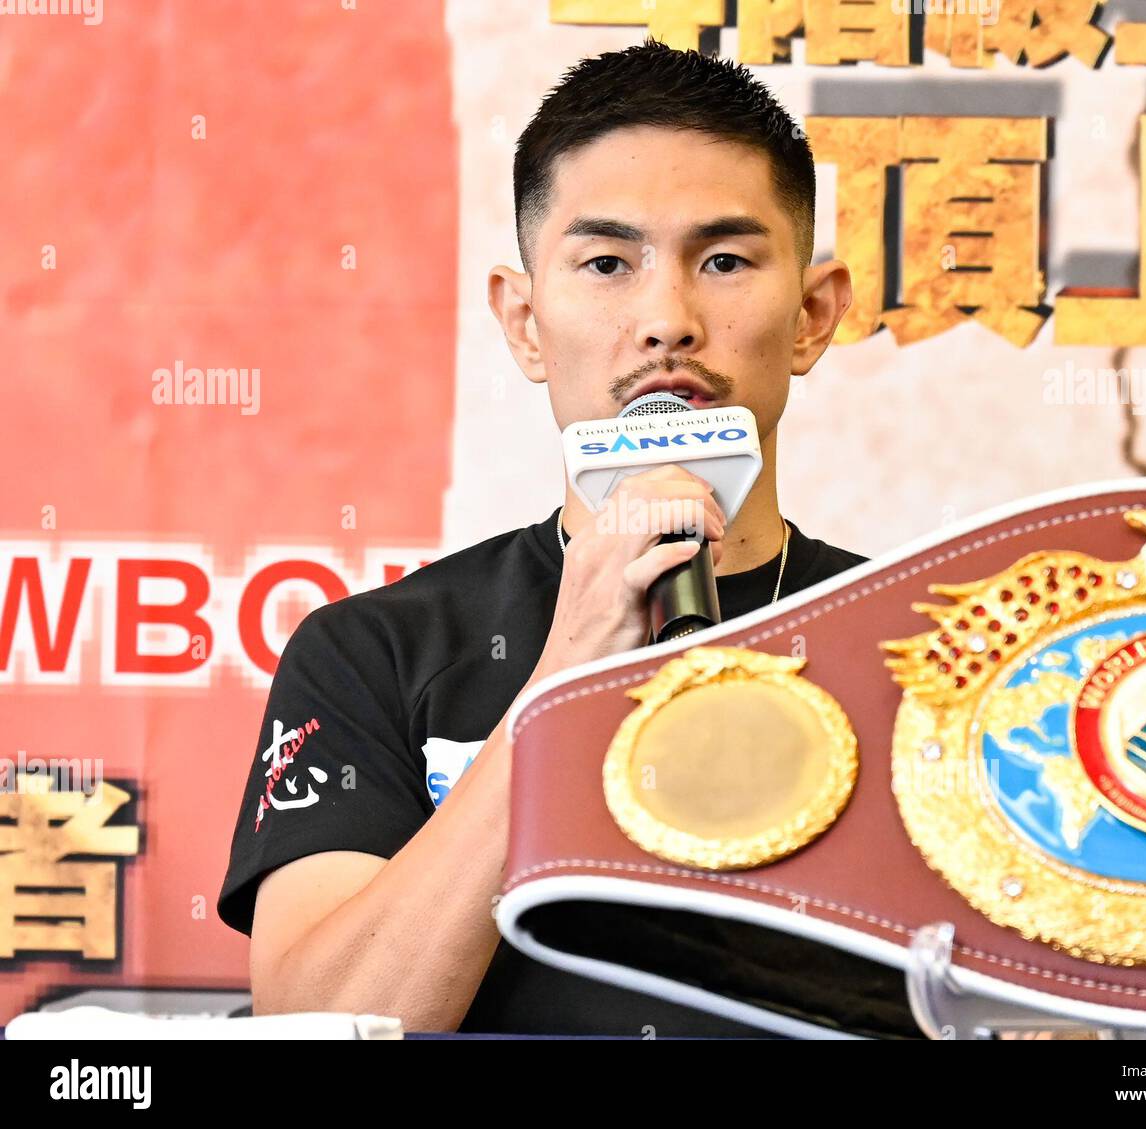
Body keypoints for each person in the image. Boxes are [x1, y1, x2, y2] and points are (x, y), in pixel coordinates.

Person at [217, 37, 913, 1037]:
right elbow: (323, 1021)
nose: (666, 319)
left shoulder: (926, 648)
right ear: (525, 321)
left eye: (723, 260)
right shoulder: (371, 653)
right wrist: (566, 676)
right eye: (605, 263)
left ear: (811, 316)